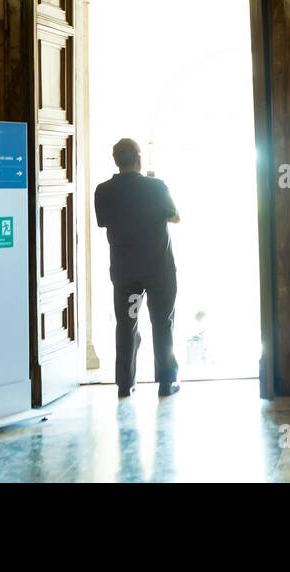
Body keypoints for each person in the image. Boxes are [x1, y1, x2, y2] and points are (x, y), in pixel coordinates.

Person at [93, 138, 181, 398]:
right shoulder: (156, 187)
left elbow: (103, 222)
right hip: (158, 270)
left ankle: (125, 383)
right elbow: (176, 216)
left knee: (126, 324)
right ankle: (166, 382)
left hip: (125, 272)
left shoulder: (103, 190)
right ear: (139, 160)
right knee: (162, 322)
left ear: (116, 161)